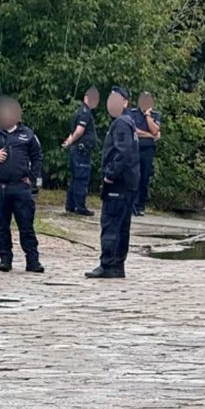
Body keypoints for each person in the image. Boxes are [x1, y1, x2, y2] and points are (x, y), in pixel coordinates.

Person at [0, 96, 43, 273]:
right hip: (0, 187)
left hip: (21, 187)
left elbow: (37, 157)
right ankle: (5, 259)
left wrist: (32, 177)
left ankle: (32, 261)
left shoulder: (27, 134)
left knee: (26, 226)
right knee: (2, 225)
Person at [86, 87, 140, 279]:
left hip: (118, 183)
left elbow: (123, 153)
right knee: (121, 226)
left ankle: (108, 264)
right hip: (128, 183)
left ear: (125, 103)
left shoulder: (121, 123)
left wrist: (110, 174)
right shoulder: (128, 122)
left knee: (111, 224)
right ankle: (117, 265)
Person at [62, 86, 98, 216]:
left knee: (75, 178)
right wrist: (71, 142)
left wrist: (68, 142)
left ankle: (70, 205)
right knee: (81, 178)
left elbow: (73, 132)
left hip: (76, 150)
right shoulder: (85, 113)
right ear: (86, 98)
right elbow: (79, 131)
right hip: (81, 151)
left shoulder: (78, 111)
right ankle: (80, 207)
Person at [130, 91, 161, 216]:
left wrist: (148, 116)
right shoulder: (132, 113)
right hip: (135, 148)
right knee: (133, 176)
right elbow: (134, 130)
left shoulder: (155, 115)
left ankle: (140, 206)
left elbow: (156, 131)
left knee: (144, 178)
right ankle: (131, 204)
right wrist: (150, 135)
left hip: (148, 151)